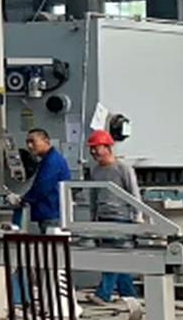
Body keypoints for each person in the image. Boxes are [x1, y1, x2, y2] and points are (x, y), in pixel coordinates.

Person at [83, 129, 142, 304]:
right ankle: (129, 296)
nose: (93, 152)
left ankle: (103, 294)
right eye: (92, 148)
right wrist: (93, 218)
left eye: (97, 147)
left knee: (114, 257)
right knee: (117, 259)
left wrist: (137, 216)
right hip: (103, 217)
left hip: (121, 218)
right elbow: (93, 195)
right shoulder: (95, 171)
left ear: (108, 147)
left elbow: (134, 193)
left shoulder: (123, 169)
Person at [14, 128, 71, 232]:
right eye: (27, 142)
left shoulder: (52, 162)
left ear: (46, 141)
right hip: (49, 214)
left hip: (52, 215)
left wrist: (22, 199)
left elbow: (42, 187)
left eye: (33, 141)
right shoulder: (47, 161)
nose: (29, 146)